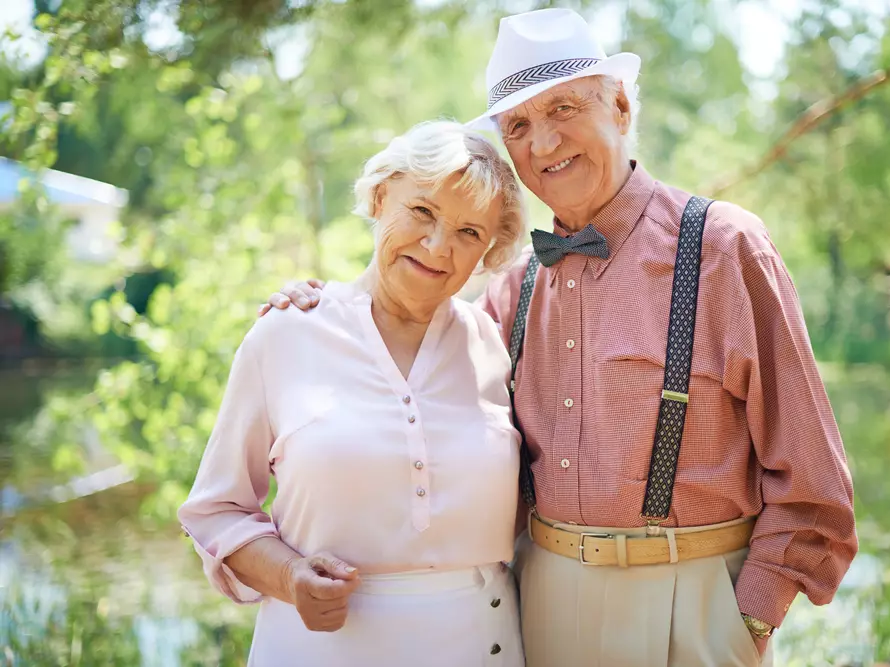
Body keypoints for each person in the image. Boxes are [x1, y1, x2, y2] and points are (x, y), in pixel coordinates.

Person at [261, 8, 859, 667]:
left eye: (564, 107)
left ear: (622, 106)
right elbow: (409, 378)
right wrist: (329, 306)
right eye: (519, 124)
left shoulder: (723, 248)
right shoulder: (511, 292)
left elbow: (815, 486)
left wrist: (745, 619)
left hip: (692, 606)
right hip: (540, 603)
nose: (543, 143)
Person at [178, 120, 529, 667]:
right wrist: (288, 576)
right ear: (382, 193)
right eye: (423, 212)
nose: (438, 247)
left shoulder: (493, 340)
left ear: (487, 251)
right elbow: (217, 510)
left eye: (469, 234)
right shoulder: (286, 332)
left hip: (480, 646)